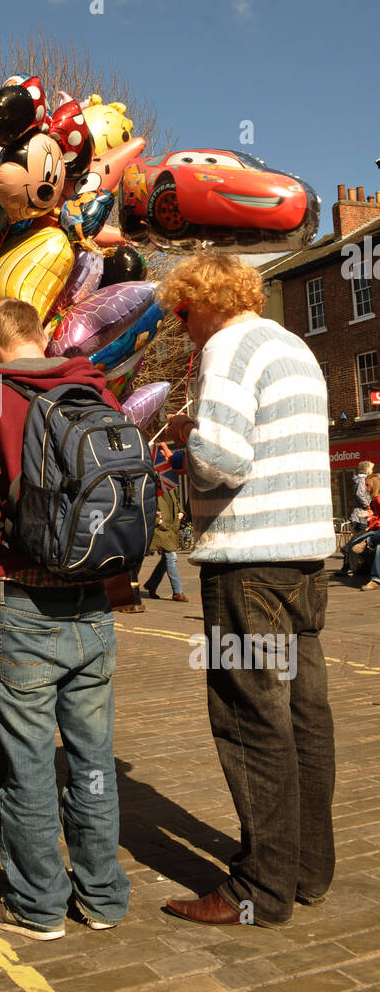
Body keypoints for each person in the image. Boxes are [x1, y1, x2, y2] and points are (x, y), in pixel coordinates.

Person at [159, 254, 335, 928]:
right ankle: (304, 872)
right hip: (303, 563)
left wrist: (183, 433)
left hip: (247, 566)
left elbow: (223, 459)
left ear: (203, 300)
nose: (182, 328)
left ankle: (257, 889)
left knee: (248, 722)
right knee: (302, 720)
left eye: (181, 312)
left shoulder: (228, 346)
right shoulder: (289, 344)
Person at [0, 298, 131, 940]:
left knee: (26, 763)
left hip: (20, 597)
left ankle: (38, 906)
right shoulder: (93, 384)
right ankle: (104, 897)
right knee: (91, 759)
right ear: (43, 335)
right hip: (91, 598)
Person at [143, 481, 188, 602]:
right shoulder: (153, 486)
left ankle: (152, 584)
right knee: (171, 557)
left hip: (171, 527)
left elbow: (176, 502)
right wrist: (159, 522)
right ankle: (178, 592)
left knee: (166, 559)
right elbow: (149, 505)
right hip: (160, 529)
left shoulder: (171, 484)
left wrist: (181, 512)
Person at [350, 461, 374, 535]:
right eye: (371, 469)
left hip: (360, 515)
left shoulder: (361, 479)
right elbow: (360, 494)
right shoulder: (363, 480)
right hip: (362, 516)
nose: (372, 471)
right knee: (362, 540)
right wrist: (369, 505)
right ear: (367, 469)